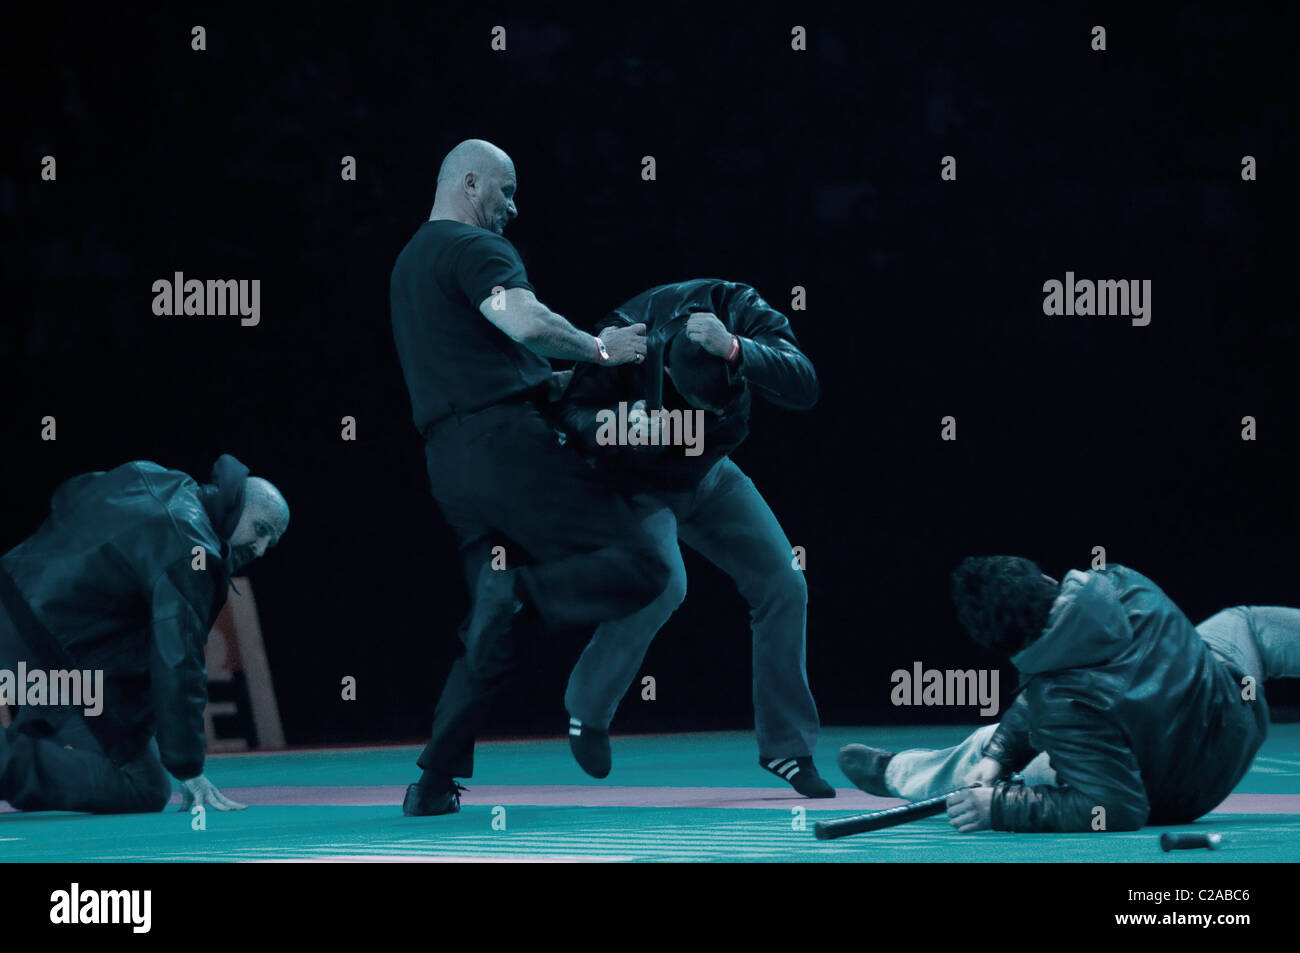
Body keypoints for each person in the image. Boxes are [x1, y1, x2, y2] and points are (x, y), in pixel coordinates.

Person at [390, 139, 675, 816]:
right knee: (643, 565)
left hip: (450, 466)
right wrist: (604, 347)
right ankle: (526, 585)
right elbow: (524, 321)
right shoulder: (475, 249)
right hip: (507, 453)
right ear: (469, 184)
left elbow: (482, 368)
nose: (514, 207)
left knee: (490, 624)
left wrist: (564, 379)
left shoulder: (408, 264)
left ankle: (433, 781)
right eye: (506, 191)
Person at [554, 278, 833, 796]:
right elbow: (569, 414)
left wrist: (737, 347)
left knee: (783, 583)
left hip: (708, 472)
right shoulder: (623, 334)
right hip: (638, 482)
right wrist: (614, 423)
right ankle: (587, 712)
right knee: (665, 586)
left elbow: (805, 382)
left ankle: (787, 749)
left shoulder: (737, 304)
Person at [838, 556, 1300, 832]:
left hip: (1187, 789)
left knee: (986, 747)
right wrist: (1001, 758)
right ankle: (977, 761)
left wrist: (999, 805)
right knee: (1246, 624)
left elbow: (1116, 808)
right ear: (1045, 583)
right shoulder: (1122, 581)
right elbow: (1057, 673)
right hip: (1233, 709)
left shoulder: (1057, 705)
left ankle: (897, 774)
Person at [0, 455, 289, 815]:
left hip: (14, 591)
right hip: (48, 643)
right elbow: (177, 661)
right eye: (261, 529)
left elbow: (69, 494)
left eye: (270, 543)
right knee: (144, 786)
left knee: (95, 696)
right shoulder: (193, 549)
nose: (260, 550)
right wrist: (188, 767)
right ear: (237, 503)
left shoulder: (153, 475)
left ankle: (35, 731)